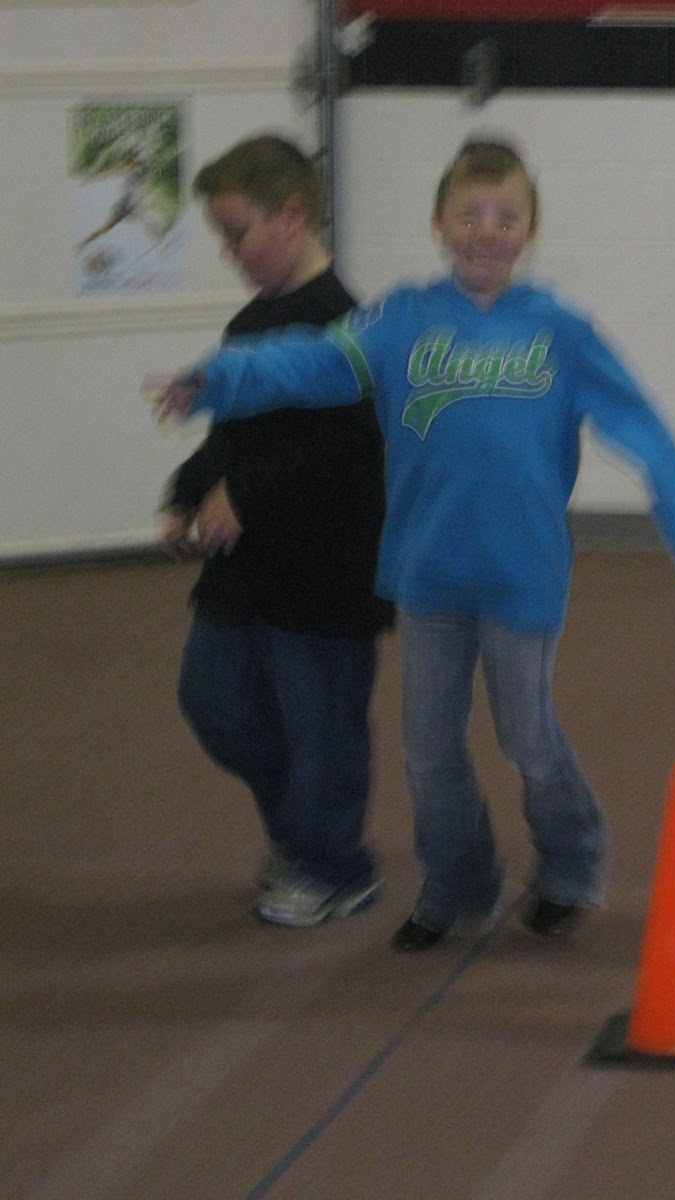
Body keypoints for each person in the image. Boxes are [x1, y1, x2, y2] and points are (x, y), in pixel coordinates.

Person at [155, 138, 675, 952]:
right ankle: (457, 882)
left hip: (521, 577)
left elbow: (647, 435)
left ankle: (571, 865)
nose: (486, 230)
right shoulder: (402, 319)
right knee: (430, 751)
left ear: (531, 232)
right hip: (429, 574)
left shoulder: (561, 333)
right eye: (469, 214)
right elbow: (314, 363)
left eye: (507, 217)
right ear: (439, 224)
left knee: (528, 740)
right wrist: (218, 377)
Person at [160, 134, 393, 927]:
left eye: (236, 232)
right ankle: (306, 833)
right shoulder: (245, 328)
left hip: (324, 581)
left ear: (292, 218)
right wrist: (186, 490)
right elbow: (233, 433)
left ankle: (338, 868)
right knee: (213, 701)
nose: (228, 252)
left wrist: (248, 494)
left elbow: (348, 449)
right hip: (243, 572)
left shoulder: (348, 326)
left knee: (322, 730)